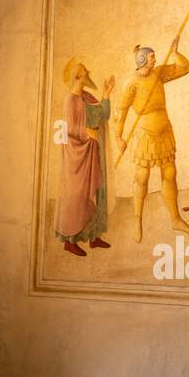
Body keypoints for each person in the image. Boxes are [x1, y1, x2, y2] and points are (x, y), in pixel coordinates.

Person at [114, 39, 189, 242]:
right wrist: (118, 137)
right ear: (142, 60)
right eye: (151, 58)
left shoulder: (158, 73)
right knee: (142, 176)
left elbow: (185, 68)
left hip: (164, 131)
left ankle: (175, 219)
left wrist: (175, 52)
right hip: (145, 135)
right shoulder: (130, 83)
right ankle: (137, 221)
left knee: (170, 173)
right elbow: (120, 111)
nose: (155, 60)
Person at [56, 58, 115, 257]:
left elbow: (102, 115)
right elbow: (68, 128)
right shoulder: (70, 100)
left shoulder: (87, 97)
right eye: (84, 70)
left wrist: (106, 94)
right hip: (78, 156)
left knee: (97, 193)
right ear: (77, 77)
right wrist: (85, 132)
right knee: (78, 197)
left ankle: (94, 236)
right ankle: (70, 241)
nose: (88, 71)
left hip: (94, 153)